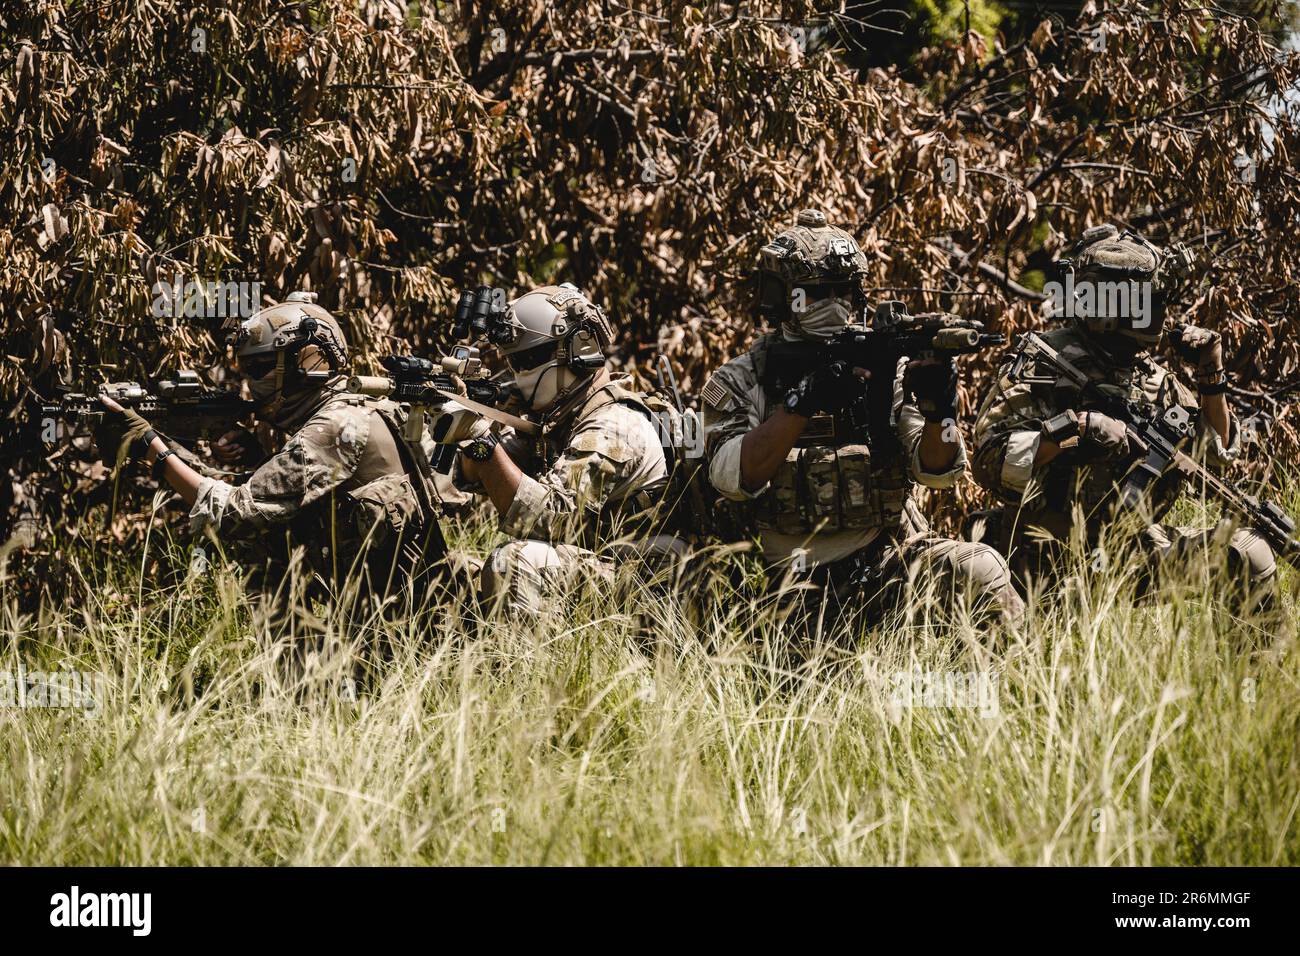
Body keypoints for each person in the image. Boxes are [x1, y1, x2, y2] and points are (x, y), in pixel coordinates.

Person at [700, 209, 1023, 637]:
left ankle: (1022, 697)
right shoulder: (744, 378)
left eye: (845, 290)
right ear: (781, 298)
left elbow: (940, 473)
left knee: (980, 569)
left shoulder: (881, 367)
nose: (836, 303)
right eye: (818, 292)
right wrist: (802, 403)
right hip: (778, 587)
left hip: (884, 566)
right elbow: (732, 476)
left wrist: (939, 409)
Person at [970, 224, 1276, 613]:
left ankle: (1250, 673)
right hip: (1039, 555)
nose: (1155, 312)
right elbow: (989, 462)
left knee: (1247, 554)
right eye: (1142, 300)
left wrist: (1210, 377)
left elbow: (1215, 456)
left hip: (1130, 554)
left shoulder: (1154, 380)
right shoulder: (1044, 362)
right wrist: (1077, 429)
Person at [100, 291, 451, 623]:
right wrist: (258, 458)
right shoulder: (367, 407)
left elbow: (234, 514)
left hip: (394, 623)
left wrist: (153, 450)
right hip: (412, 605)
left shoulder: (335, 425)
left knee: (253, 536)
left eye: (260, 369)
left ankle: (299, 670)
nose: (251, 384)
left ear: (307, 361)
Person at [440, 283, 673, 618]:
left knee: (516, 562)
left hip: (646, 580)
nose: (519, 373)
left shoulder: (614, 425)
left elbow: (555, 519)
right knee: (450, 570)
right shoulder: (557, 419)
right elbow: (468, 474)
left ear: (579, 349)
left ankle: (523, 670)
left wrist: (480, 440)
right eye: (513, 362)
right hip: (600, 568)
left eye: (530, 359)